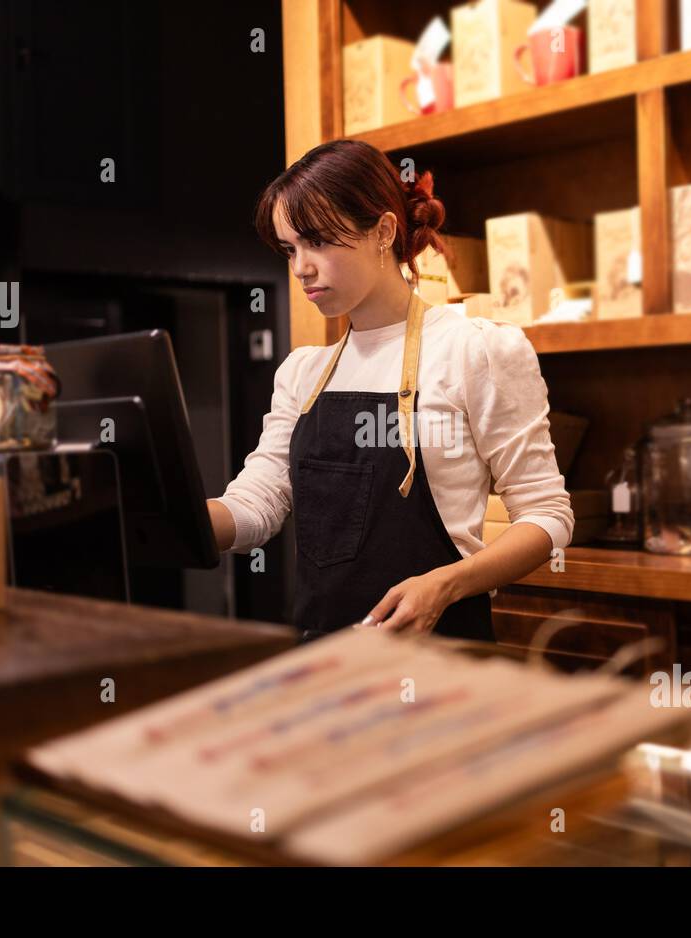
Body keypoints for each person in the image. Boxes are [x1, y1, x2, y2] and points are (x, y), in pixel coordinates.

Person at [207, 139, 573, 643]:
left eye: (317, 241)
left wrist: (445, 585)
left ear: (382, 231)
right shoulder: (303, 374)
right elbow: (259, 504)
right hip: (326, 659)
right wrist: (177, 520)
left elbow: (547, 515)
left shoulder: (475, 350)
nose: (300, 268)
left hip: (441, 656)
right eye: (290, 248)